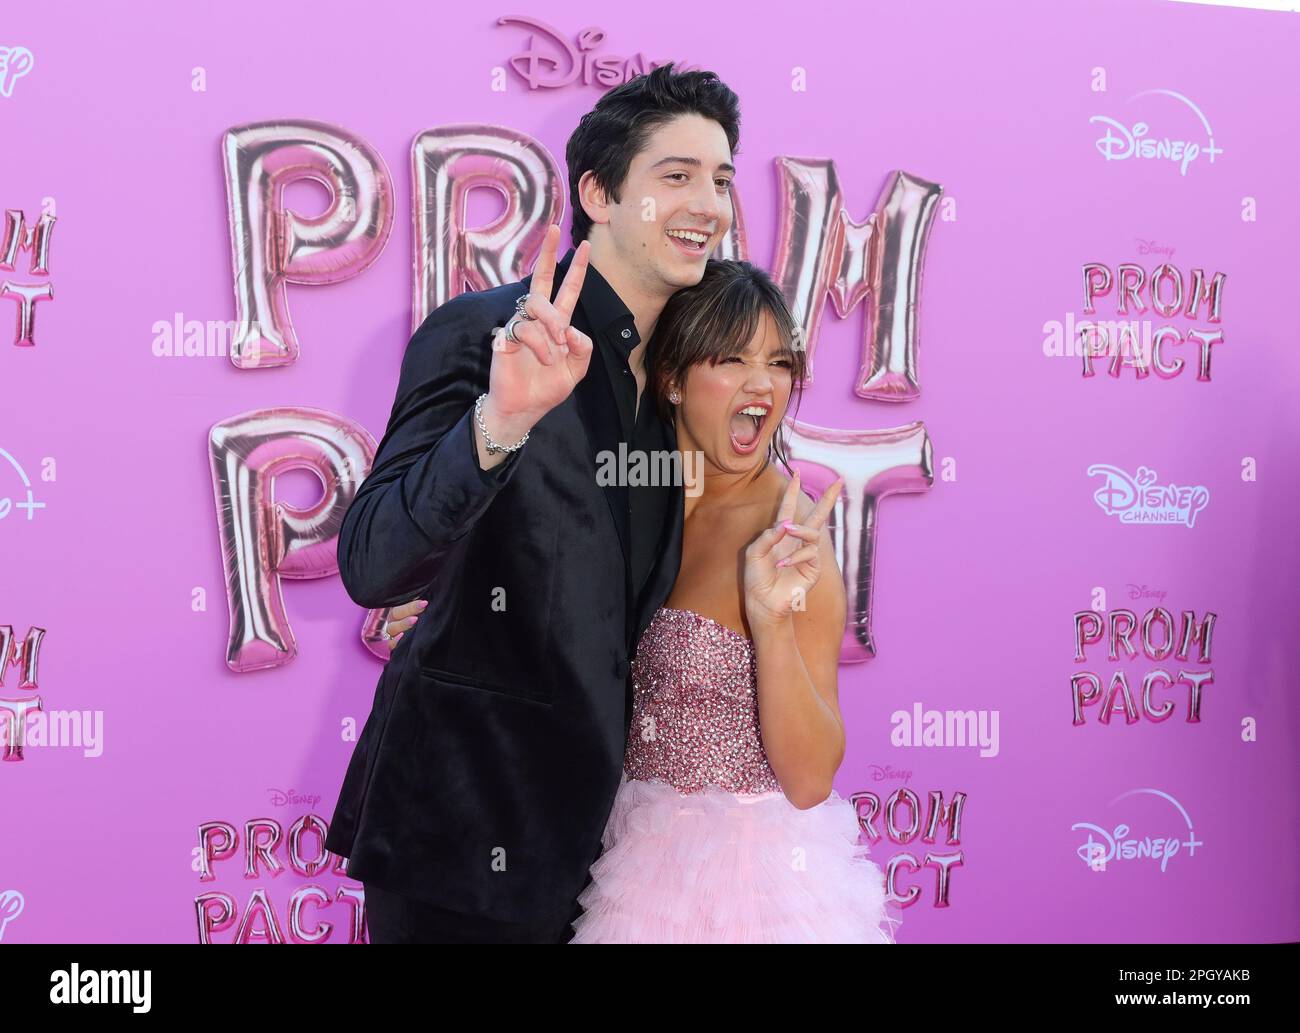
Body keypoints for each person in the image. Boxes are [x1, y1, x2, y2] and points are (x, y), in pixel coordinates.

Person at [324, 63, 742, 943]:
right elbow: (373, 561)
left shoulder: (687, 380)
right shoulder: (486, 333)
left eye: (721, 177)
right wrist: (499, 420)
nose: (709, 201)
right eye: (676, 176)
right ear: (596, 192)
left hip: (619, 860)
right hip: (464, 833)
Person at [384, 260, 903, 944]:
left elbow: (809, 778)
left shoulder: (789, 536)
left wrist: (772, 624)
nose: (762, 383)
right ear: (673, 379)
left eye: (779, 363)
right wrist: (461, 617)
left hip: (749, 892)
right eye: (730, 358)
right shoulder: (628, 504)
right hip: (615, 864)